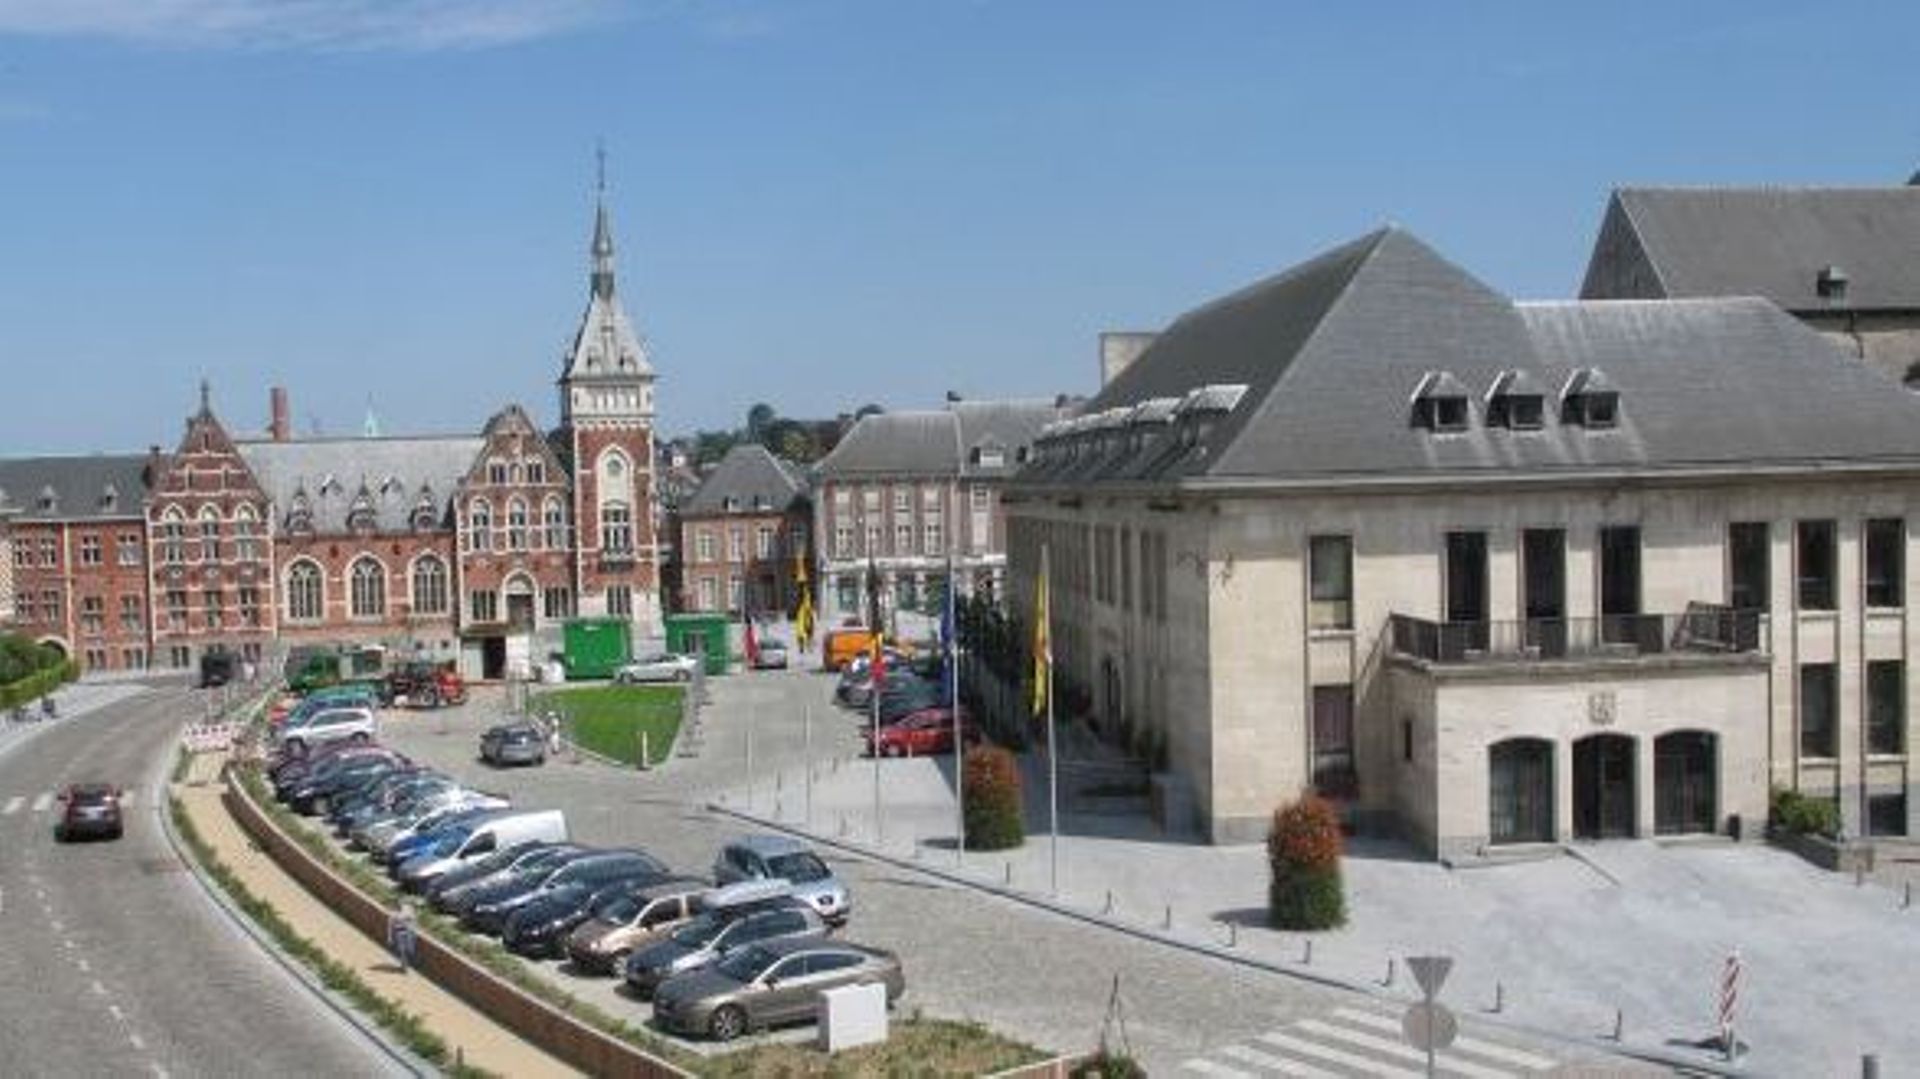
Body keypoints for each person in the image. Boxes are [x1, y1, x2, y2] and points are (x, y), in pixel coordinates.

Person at [387, 901, 418, 974]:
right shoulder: (393, 914)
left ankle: (408, 964)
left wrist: (414, 930)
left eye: (401, 904)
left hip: (409, 932)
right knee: (402, 950)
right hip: (399, 933)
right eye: (398, 905)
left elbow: (413, 919)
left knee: (410, 950)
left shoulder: (408, 910)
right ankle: (404, 966)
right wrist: (389, 937)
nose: (400, 906)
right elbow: (390, 926)